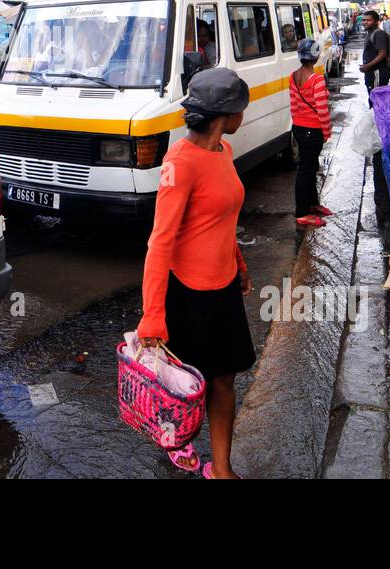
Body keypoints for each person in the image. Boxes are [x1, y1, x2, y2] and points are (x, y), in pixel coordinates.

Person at [136, 67, 255, 480]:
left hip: (223, 290)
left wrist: (238, 262)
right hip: (187, 295)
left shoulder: (222, 151)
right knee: (181, 387)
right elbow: (160, 243)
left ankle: (221, 468)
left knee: (224, 380)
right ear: (227, 113)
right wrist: (153, 315)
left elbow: (219, 218)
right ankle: (179, 442)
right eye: (243, 105)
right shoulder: (180, 162)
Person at [290, 38, 334, 228]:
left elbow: (294, 105)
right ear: (315, 57)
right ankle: (302, 212)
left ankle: (313, 204)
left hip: (299, 128)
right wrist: (326, 131)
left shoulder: (293, 76)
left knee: (310, 167)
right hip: (313, 129)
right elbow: (322, 109)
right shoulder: (316, 79)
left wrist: (298, 124)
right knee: (306, 171)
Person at [359, 10, 390, 98]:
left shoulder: (379, 34)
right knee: (374, 98)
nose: (365, 22)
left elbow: (382, 54)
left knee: (379, 99)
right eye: (364, 20)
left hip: (378, 73)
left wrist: (367, 66)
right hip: (371, 72)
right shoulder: (370, 33)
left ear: (376, 21)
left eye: (368, 20)